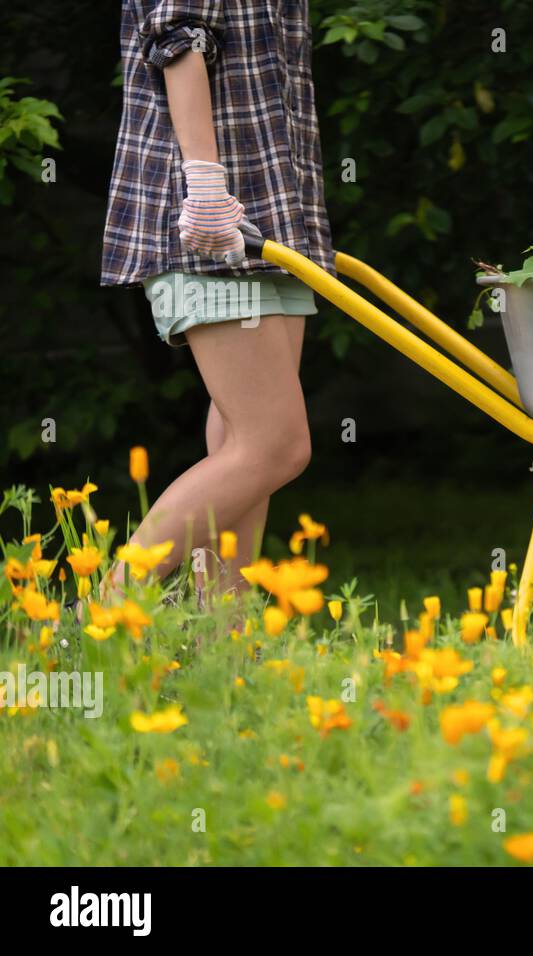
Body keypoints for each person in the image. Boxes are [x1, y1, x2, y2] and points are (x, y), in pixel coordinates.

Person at [100, 1, 333, 598]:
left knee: (241, 440)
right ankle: (98, 617)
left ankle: (221, 649)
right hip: (206, 218)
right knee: (276, 444)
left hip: (274, 215)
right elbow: (178, 39)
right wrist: (204, 183)